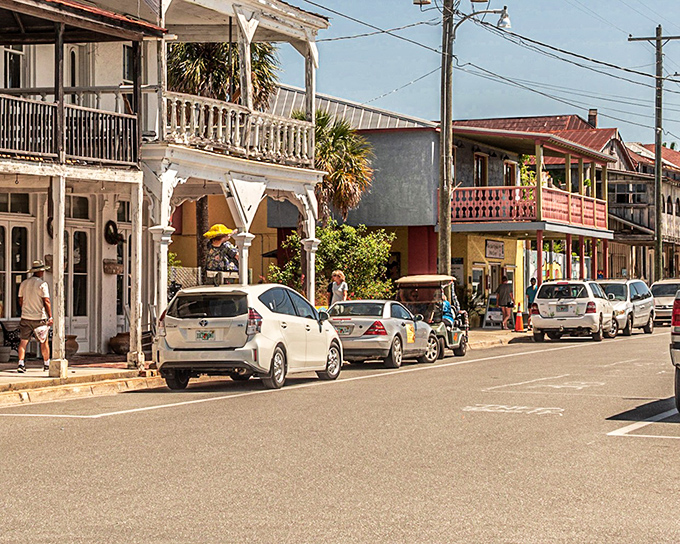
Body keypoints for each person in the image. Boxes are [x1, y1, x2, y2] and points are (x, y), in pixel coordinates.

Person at [17, 260, 53, 373]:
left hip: (26, 316)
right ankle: (46, 364)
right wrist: (50, 316)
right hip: (39, 318)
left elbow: (20, 300)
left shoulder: (24, 283)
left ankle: (21, 363)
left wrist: (25, 309)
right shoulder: (42, 284)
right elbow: (46, 301)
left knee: (23, 341)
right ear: (41, 271)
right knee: (44, 341)